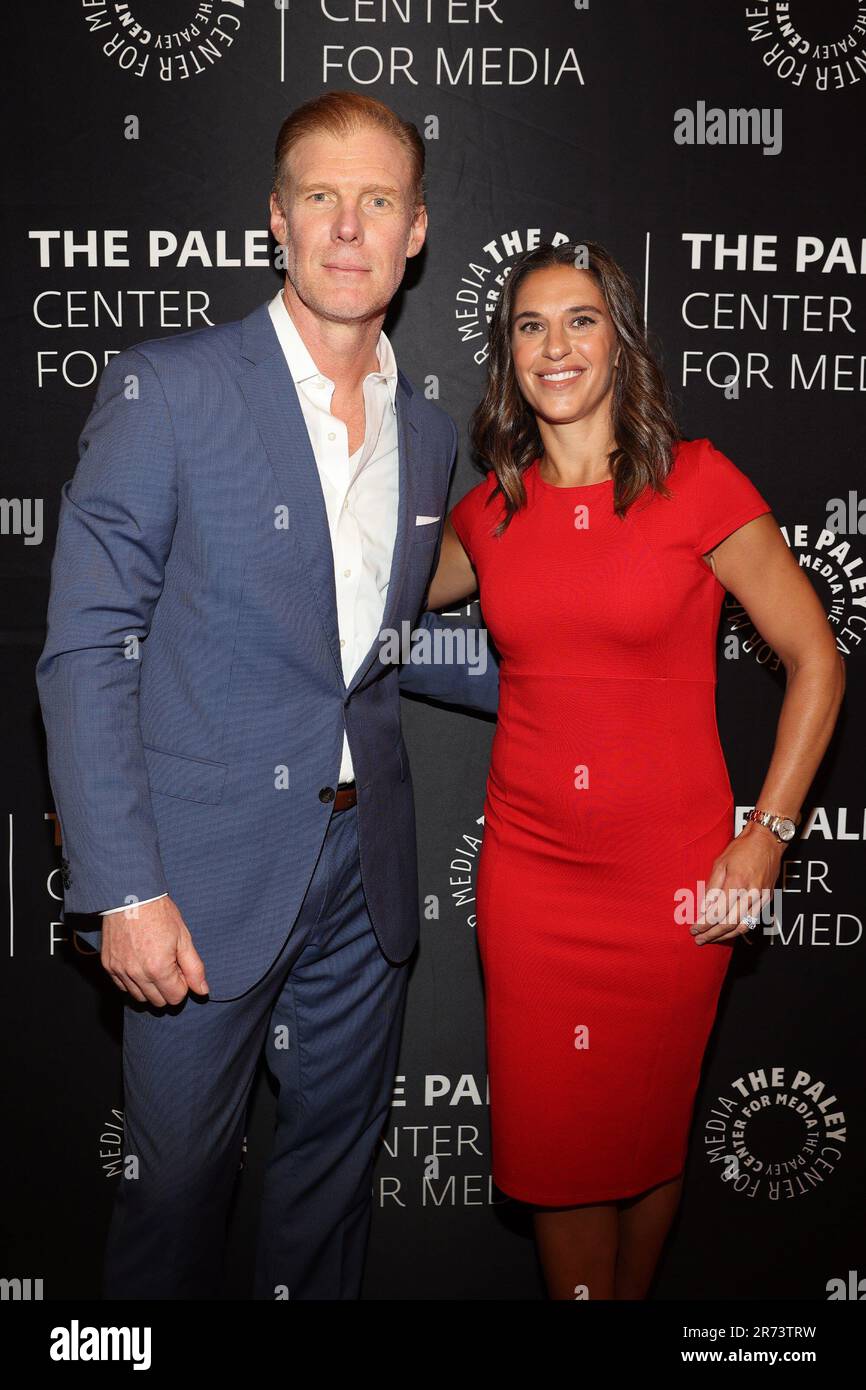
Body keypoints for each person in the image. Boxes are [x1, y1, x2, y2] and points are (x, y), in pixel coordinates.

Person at [35, 91, 497, 1301]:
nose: (349, 227)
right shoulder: (169, 389)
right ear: (276, 222)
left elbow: (380, 637)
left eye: (378, 200)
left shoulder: (431, 431)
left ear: (416, 233)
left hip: (364, 873)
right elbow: (87, 643)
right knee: (174, 1205)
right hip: (196, 875)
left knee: (327, 1198)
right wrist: (121, 885)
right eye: (321, 199)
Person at [424, 238, 845, 1300]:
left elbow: (814, 658)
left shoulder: (693, 483)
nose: (553, 346)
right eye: (529, 325)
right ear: (505, 353)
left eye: (578, 320)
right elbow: (356, 591)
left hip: (673, 881)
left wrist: (765, 837)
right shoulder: (489, 512)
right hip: (529, 883)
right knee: (563, 1154)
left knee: (647, 1133)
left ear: (619, 341)